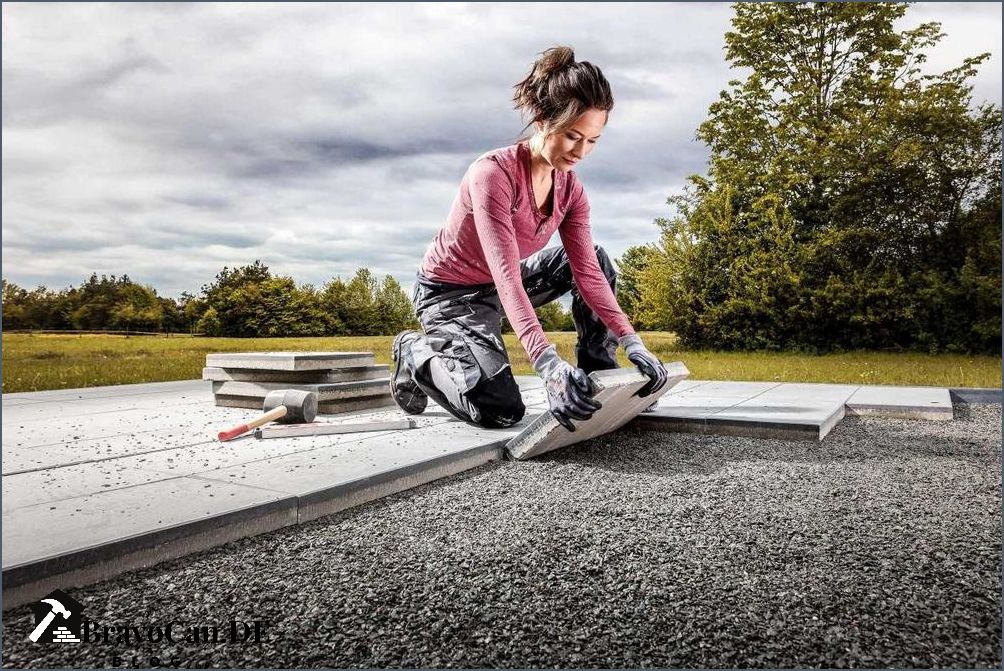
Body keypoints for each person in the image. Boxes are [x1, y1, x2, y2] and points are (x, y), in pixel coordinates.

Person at [390, 45, 668, 432]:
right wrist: (548, 366)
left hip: (499, 285)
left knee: (597, 259)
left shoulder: (571, 191)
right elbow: (507, 276)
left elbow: (587, 272)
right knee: (500, 409)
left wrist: (631, 340)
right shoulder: (492, 175)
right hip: (450, 296)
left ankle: (600, 375)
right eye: (572, 136)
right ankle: (415, 351)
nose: (581, 152)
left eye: (593, 140)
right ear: (542, 120)